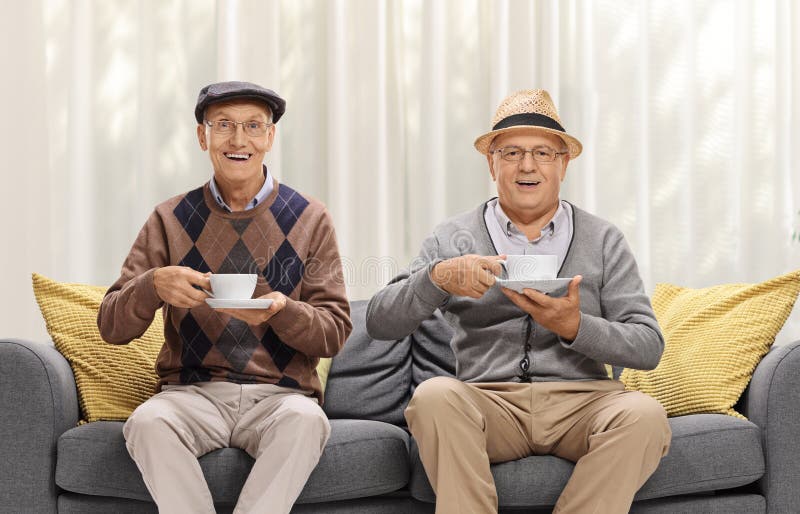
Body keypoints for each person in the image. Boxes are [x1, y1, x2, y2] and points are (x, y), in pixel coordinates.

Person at [366, 89, 671, 513]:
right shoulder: (451, 237)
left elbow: (648, 346)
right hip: (487, 402)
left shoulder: (603, 239)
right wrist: (436, 278)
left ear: (564, 164)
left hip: (583, 402)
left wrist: (575, 326)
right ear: (491, 164)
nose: (527, 166)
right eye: (511, 153)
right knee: (434, 396)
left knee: (644, 414)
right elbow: (380, 321)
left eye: (542, 153)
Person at [98, 81, 351, 514]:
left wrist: (281, 312)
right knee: (148, 423)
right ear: (203, 136)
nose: (238, 140)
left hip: (280, 397)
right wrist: (152, 285)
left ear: (270, 137)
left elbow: (335, 332)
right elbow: (111, 326)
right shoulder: (169, 218)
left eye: (253, 126)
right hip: (191, 394)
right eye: (223, 125)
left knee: (307, 422)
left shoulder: (310, 217)